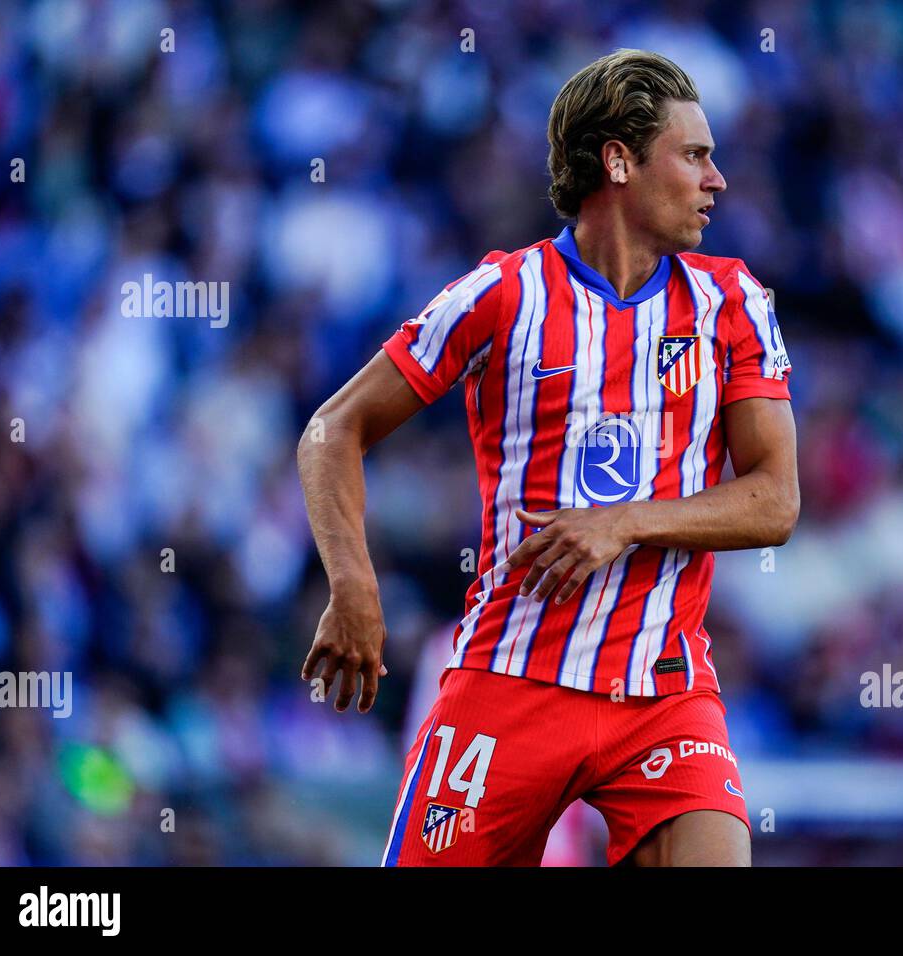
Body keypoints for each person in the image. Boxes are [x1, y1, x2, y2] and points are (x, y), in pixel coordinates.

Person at [297, 48, 798, 866]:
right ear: (620, 162)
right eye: (696, 155)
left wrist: (623, 524)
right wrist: (353, 584)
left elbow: (775, 499)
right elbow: (331, 430)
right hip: (512, 681)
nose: (719, 181)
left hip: (663, 692)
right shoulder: (503, 294)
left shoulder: (733, 302)